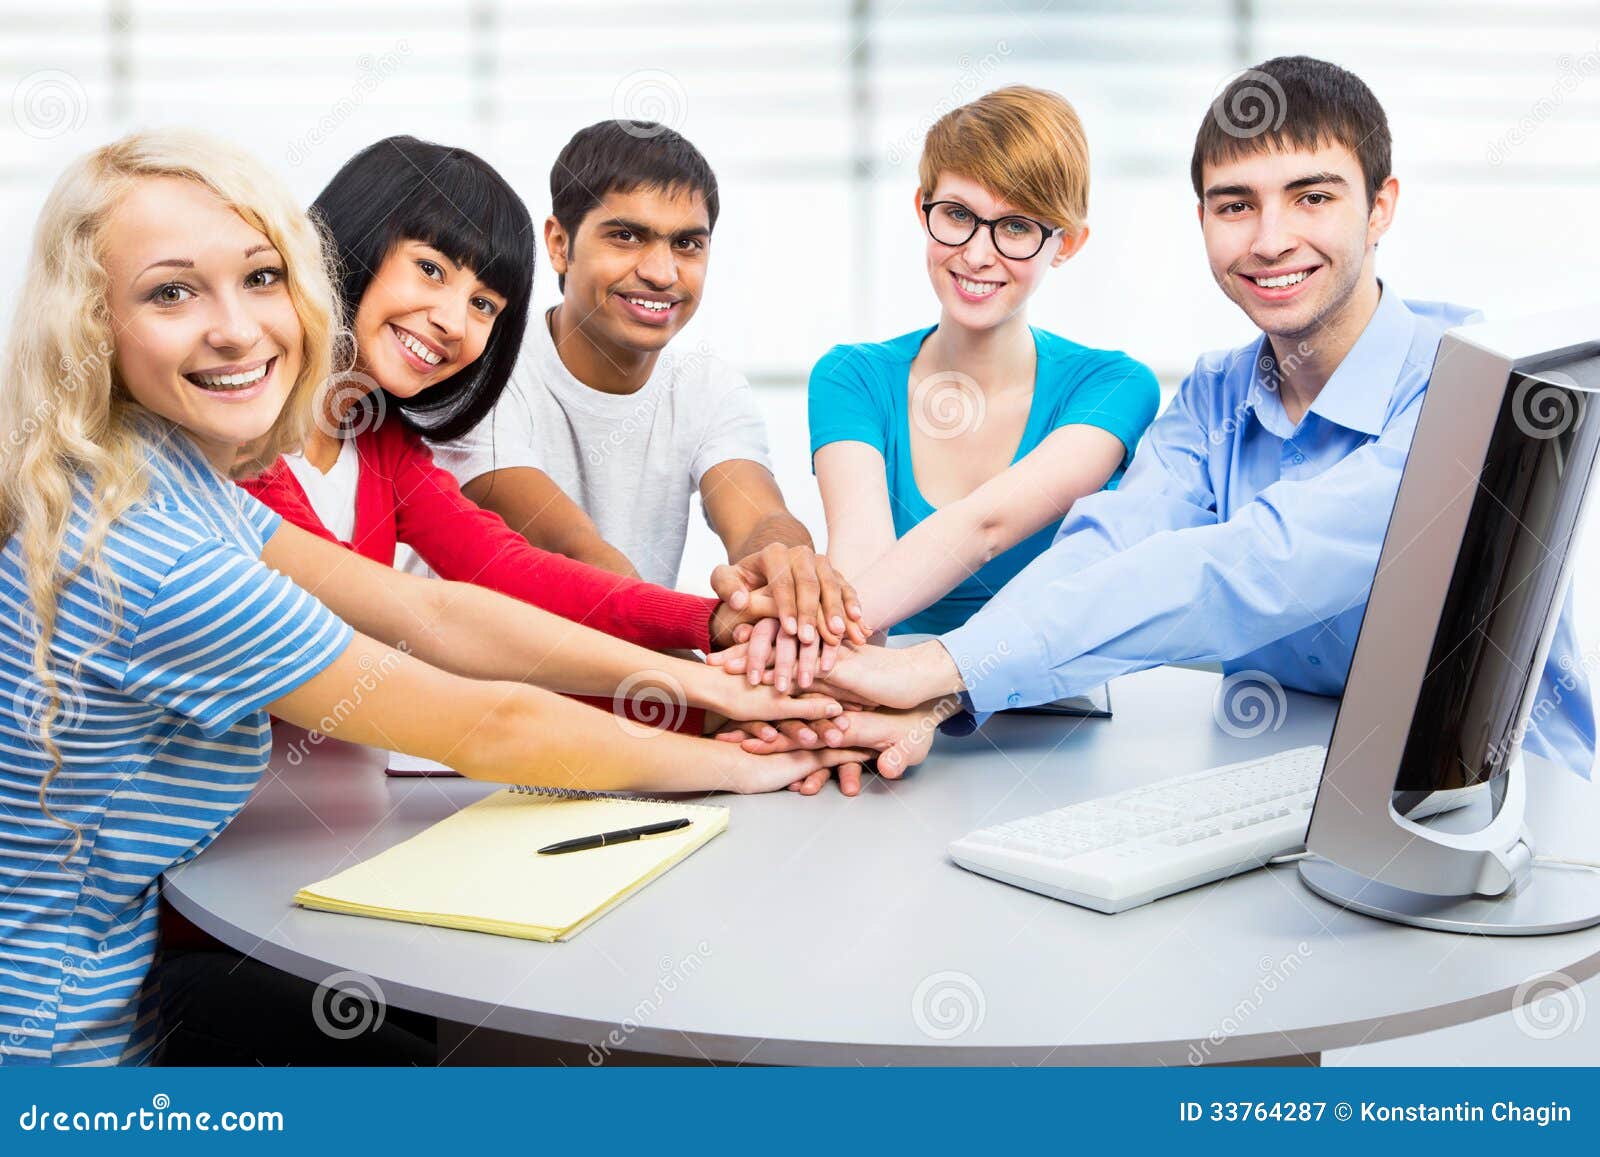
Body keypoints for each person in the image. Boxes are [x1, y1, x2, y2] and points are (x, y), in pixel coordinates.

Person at [0, 131, 878, 1066]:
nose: (236, 327)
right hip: (63, 1052)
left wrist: (714, 682)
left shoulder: (155, 472)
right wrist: (747, 765)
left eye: (258, 278)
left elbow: (439, 610)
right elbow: (485, 721)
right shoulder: (165, 551)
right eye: (172, 290)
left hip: (130, 977)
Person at [720, 55, 1596, 791]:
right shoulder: (1216, 396)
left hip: (1508, 811)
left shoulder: (1479, 388)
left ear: (1381, 207)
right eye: (1234, 205)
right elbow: (1107, 548)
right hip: (1293, 791)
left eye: (1312, 197)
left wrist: (937, 667)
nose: (1269, 238)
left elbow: (1255, 566)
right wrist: (939, 694)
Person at [241, 136, 816, 738]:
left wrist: (719, 625)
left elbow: (507, 566)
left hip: (340, 786)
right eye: (430, 269)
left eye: (484, 304)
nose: (451, 321)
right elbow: (422, 617)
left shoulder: (385, 446)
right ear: (349, 241)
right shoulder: (238, 438)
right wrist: (710, 705)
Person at [421, 120, 863, 690]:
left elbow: (758, 516)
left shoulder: (707, 386)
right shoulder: (485, 366)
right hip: (465, 718)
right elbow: (575, 552)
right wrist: (718, 687)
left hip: (633, 707)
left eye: (687, 244)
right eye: (626, 236)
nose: (661, 272)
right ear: (559, 244)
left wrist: (786, 578)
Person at [809, 86, 1159, 638]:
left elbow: (988, 526)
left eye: (1016, 226)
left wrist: (811, 650)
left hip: (1055, 708)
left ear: (1066, 244)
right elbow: (859, 568)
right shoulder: (852, 377)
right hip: (873, 694)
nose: (976, 254)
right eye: (957, 214)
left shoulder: (1114, 385)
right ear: (922, 206)